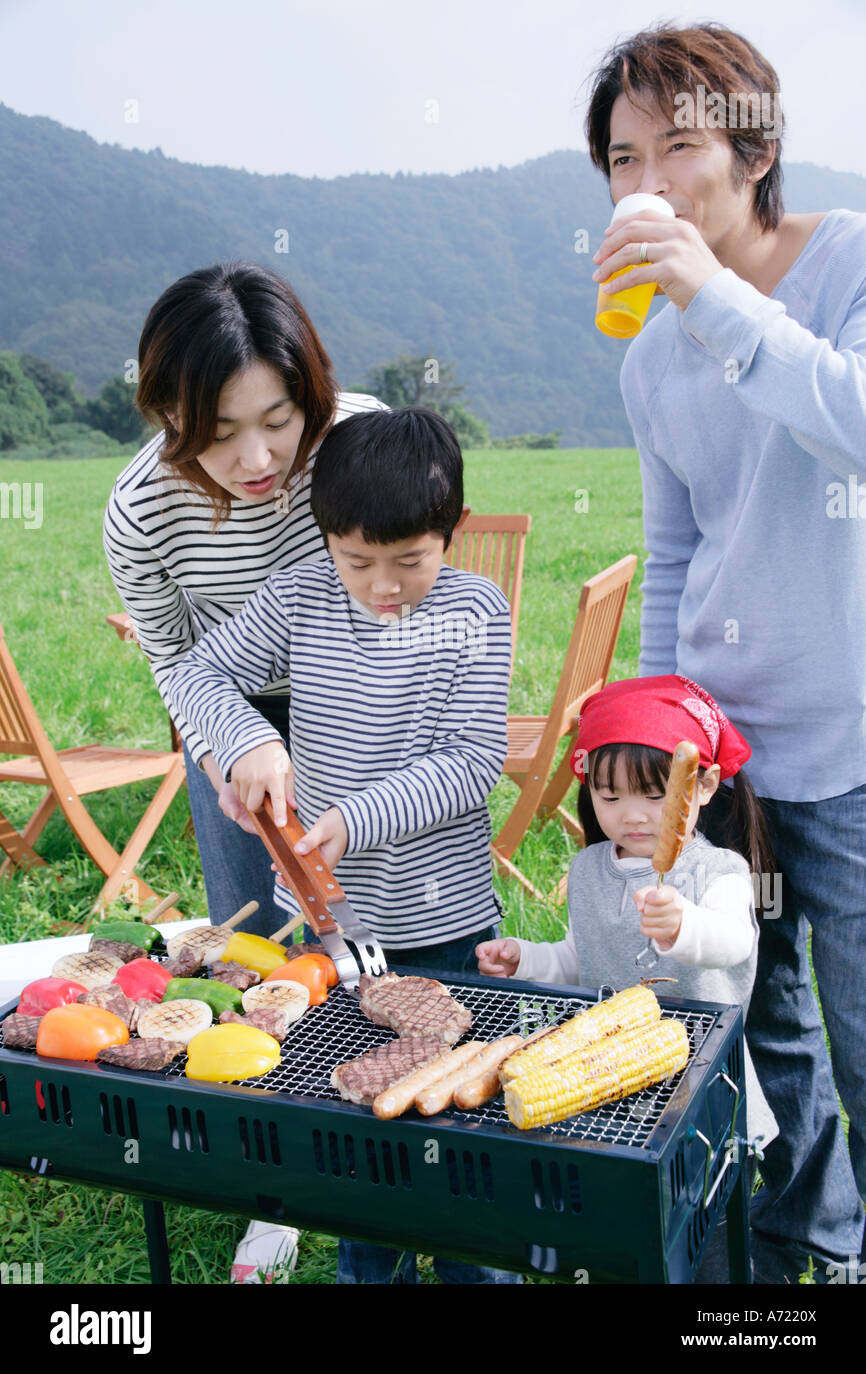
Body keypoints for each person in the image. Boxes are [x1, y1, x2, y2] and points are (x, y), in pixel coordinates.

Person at [583, 22, 866, 1280]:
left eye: (675, 147)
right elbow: (676, 548)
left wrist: (711, 291)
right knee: (762, 1025)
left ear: (751, 151)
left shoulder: (849, 258)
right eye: (619, 158)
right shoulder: (649, 357)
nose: (643, 183)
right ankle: (807, 1240)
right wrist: (651, 755)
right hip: (722, 759)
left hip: (851, 749)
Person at [165, 405, 521, 1285]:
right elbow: (198, 672)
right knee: (359, 1129)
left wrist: (356, 818)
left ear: (454, 532)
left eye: (409, 561)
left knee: (461, 1131)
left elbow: (472, 761)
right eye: (357, 560)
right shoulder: (301, 597)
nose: (383, 585)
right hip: (332, 941)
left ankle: (481, 1269)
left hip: (443, 923)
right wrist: (242, 742)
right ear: (325, 539)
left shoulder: (477, 611)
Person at [103, 260, 385, 1282]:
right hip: (229, 716)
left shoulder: (360, 436)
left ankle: (399, 1159)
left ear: (308, 390)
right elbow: (175, 658)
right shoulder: (139, 512)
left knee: (371, 938)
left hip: (353, 691)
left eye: (277, 419)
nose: (258, 456)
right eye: (218, 434)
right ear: (170, 419)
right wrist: (236, 745)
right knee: (257, 959)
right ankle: (279, 1186)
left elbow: (408, 581)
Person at [476, 674, 778, 1282]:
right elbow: (583, 955)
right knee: (628, 1228)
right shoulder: (589, 869)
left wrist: (683, 927)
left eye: (655, 795)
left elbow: (734, 941)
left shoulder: (719, 871)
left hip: (703, 1091)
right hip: (617, 1083)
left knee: (706, 1230)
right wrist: (529, 959)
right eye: (610, 798)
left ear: (705, 785)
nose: (633, 816)